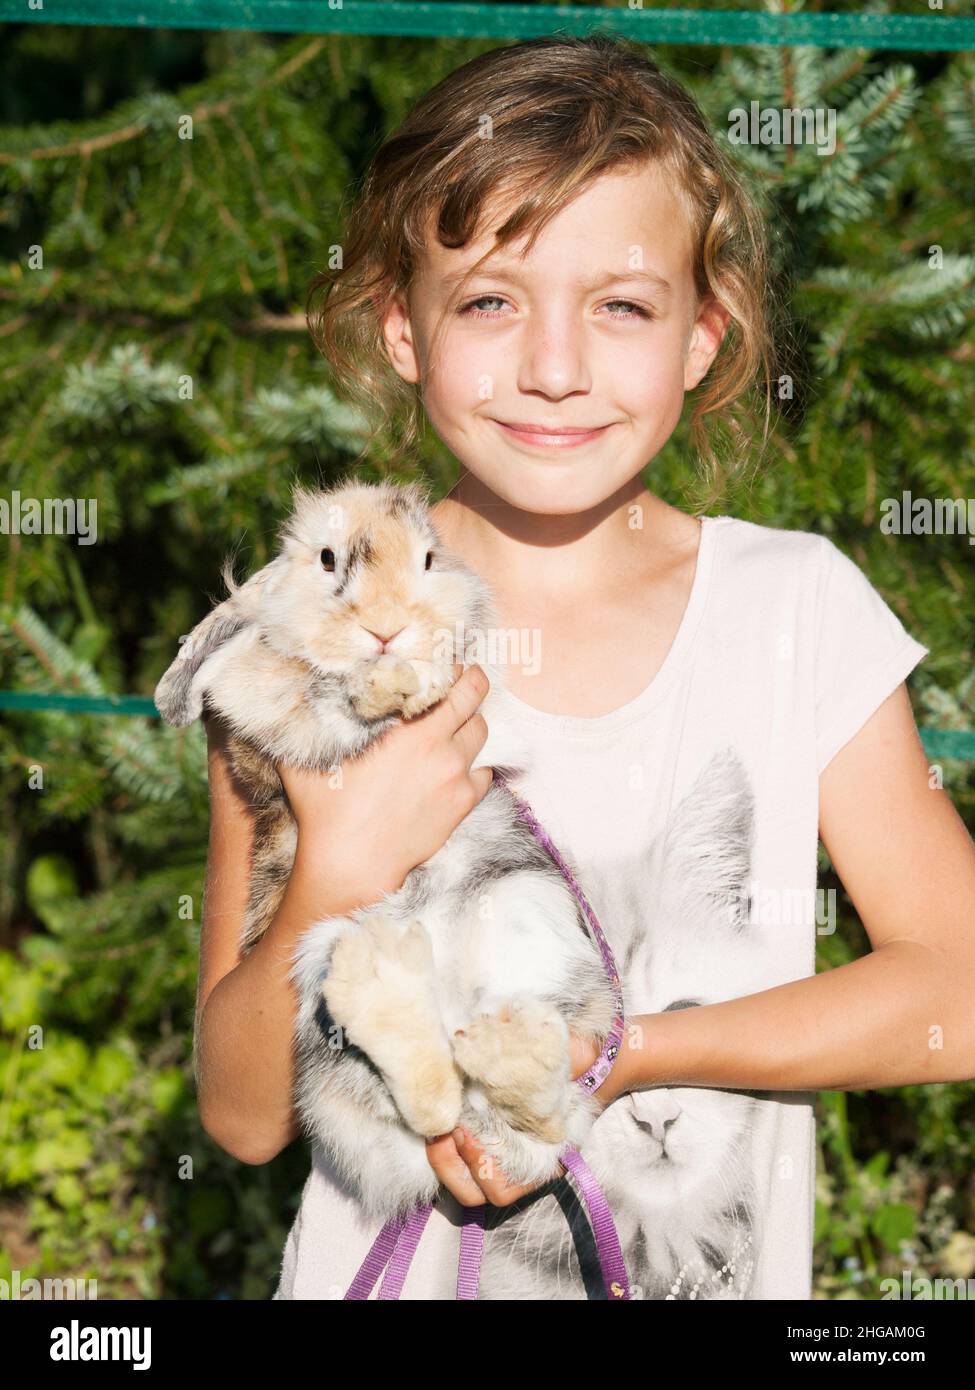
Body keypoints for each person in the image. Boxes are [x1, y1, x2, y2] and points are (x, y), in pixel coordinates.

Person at [194, 35, 975, 1299]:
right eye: (492, 301)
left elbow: (959, 989)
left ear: (703, 336)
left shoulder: (796, 612)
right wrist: (329, 872)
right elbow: (241, 1115)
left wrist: (620, 1054)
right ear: (401, 327)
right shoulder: (310, 632)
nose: (555, 368)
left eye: (621, 305)